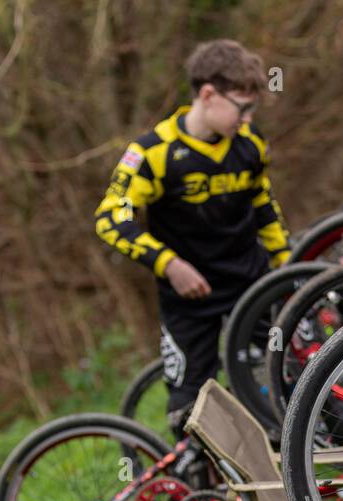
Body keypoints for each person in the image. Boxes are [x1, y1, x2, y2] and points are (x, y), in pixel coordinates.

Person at [95, 39, 290, 435]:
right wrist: (169, 265)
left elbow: (264, 208)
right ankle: (207, 491)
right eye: (242, 107)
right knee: (190, 415)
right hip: (188, 302)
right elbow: (110, 219)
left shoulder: (250, 145)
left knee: (279, 391)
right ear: (208, 95)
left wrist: (289, 268)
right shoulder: (153, 153)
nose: (248, 119)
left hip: (251, 288)